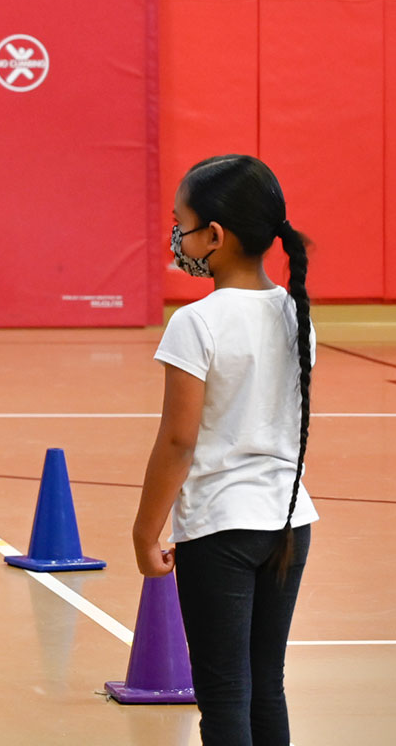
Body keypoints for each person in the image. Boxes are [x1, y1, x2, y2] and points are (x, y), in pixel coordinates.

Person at [132, 155, 315, 746]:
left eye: (182, 224)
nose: (177, 238)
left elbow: (179, 439)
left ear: (215, 235)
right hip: (288, 520)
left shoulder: (197, 322)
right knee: (267, 685)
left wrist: (145, 530)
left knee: (225, 693)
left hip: (220, 530)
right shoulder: (295, 313)